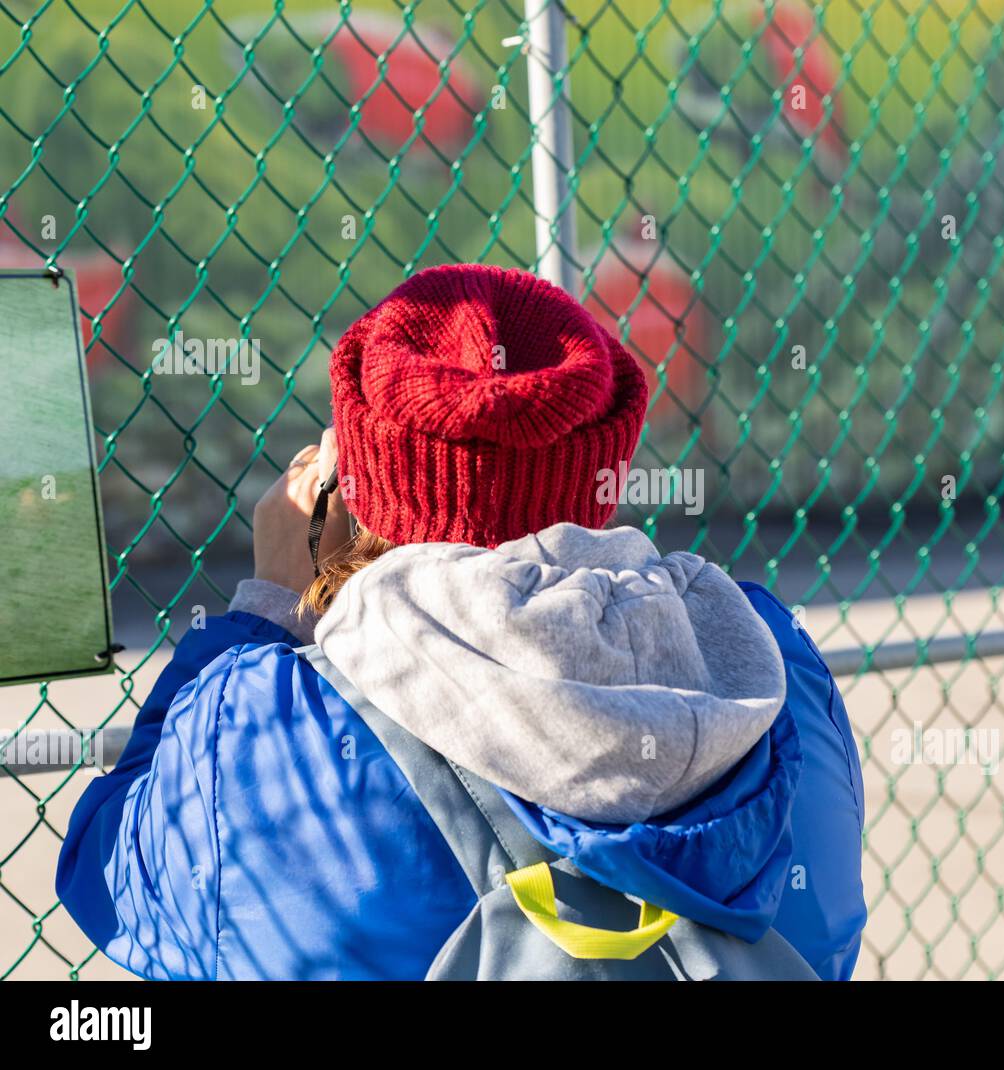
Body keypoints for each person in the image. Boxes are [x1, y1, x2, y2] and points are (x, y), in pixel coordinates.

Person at [56, 264, 867, 980]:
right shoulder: (772, 665)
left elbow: (111, 876)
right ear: (601, 476)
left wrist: (268, 610)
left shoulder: (274, 730)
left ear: (354, 484)